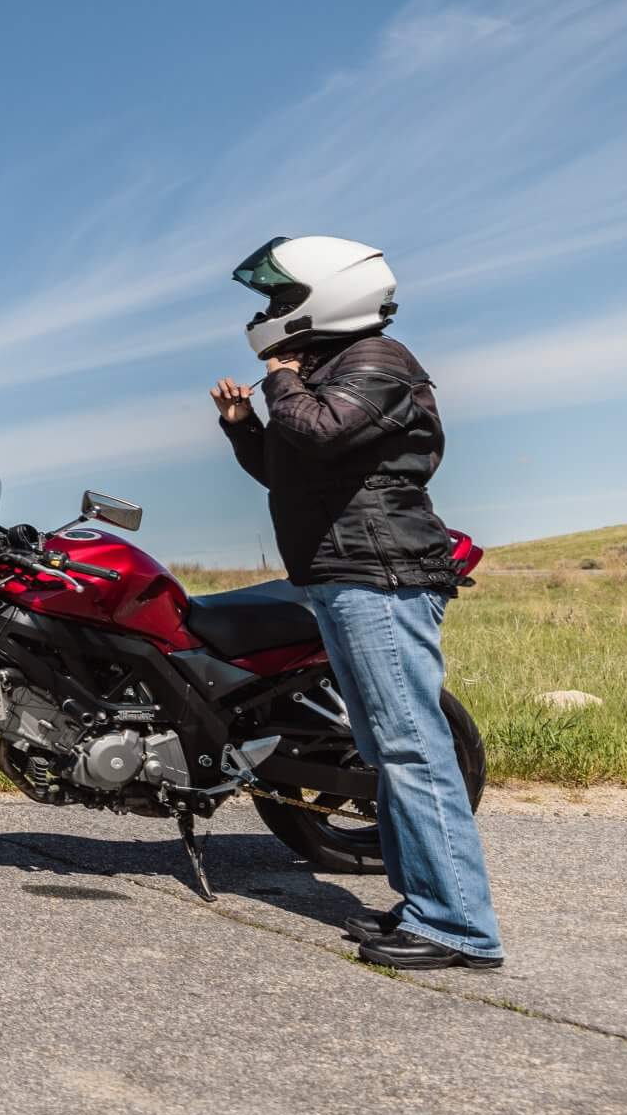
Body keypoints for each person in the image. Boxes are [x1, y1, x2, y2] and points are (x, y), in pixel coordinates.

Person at [212, 236, 504, 971]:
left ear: (328, 296)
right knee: (386, 750)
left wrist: (281, 382)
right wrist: (245, 427)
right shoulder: (332, 369)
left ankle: (459, 928)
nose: (270, 312)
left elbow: (321, 431)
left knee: (412, 750)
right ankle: (425, 905)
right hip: (344, 574)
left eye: (282, 297)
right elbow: (292, 469)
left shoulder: (377, 360)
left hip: (381, 575)